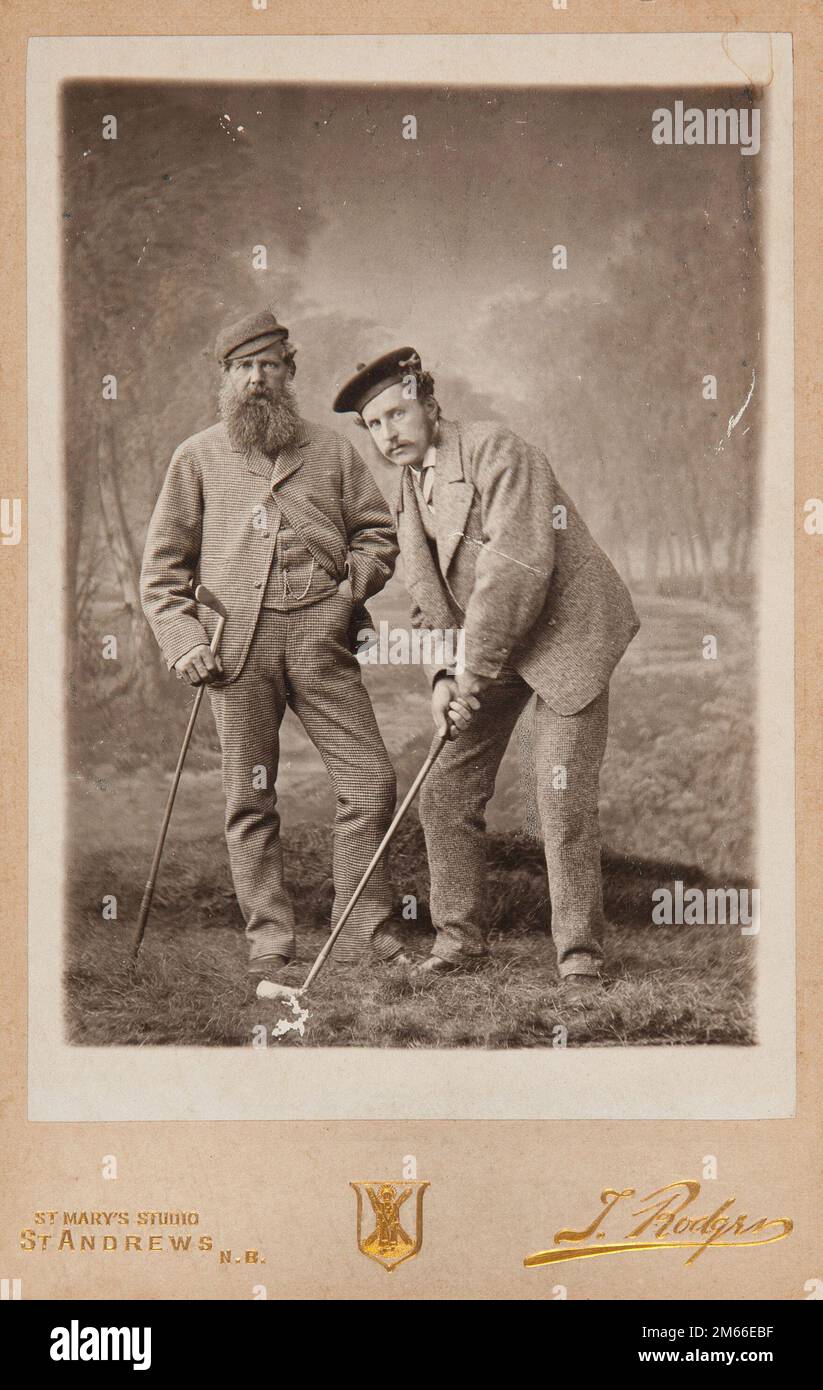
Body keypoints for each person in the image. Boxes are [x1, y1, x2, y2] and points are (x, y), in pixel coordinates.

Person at [332, 347, 640, 1000]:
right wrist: (443, 677)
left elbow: (516, 571)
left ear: (429, 403)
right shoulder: (408, 490)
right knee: (444, 790)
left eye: (397, 414)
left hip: (567, 640)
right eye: (376, 426)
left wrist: (471, 669)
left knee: (558, 796)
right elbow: (426, 602)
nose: (389, 435)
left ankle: (580, 959)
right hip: (485, 652)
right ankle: (458, 941)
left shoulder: (498, 450)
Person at [140, 311, 409, 992]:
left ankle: (362, 929)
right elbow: (161, 574)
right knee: (249, 799)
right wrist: (184, 643)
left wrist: (349, 591)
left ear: (290, 372)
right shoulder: (196, 456)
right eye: (243, 368)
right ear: (226, 379)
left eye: (269, 366)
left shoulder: (331, 451)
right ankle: (270, 942)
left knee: (370, 783)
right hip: (236, 653)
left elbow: (377, 536)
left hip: (320, 641)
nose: (257, 379)